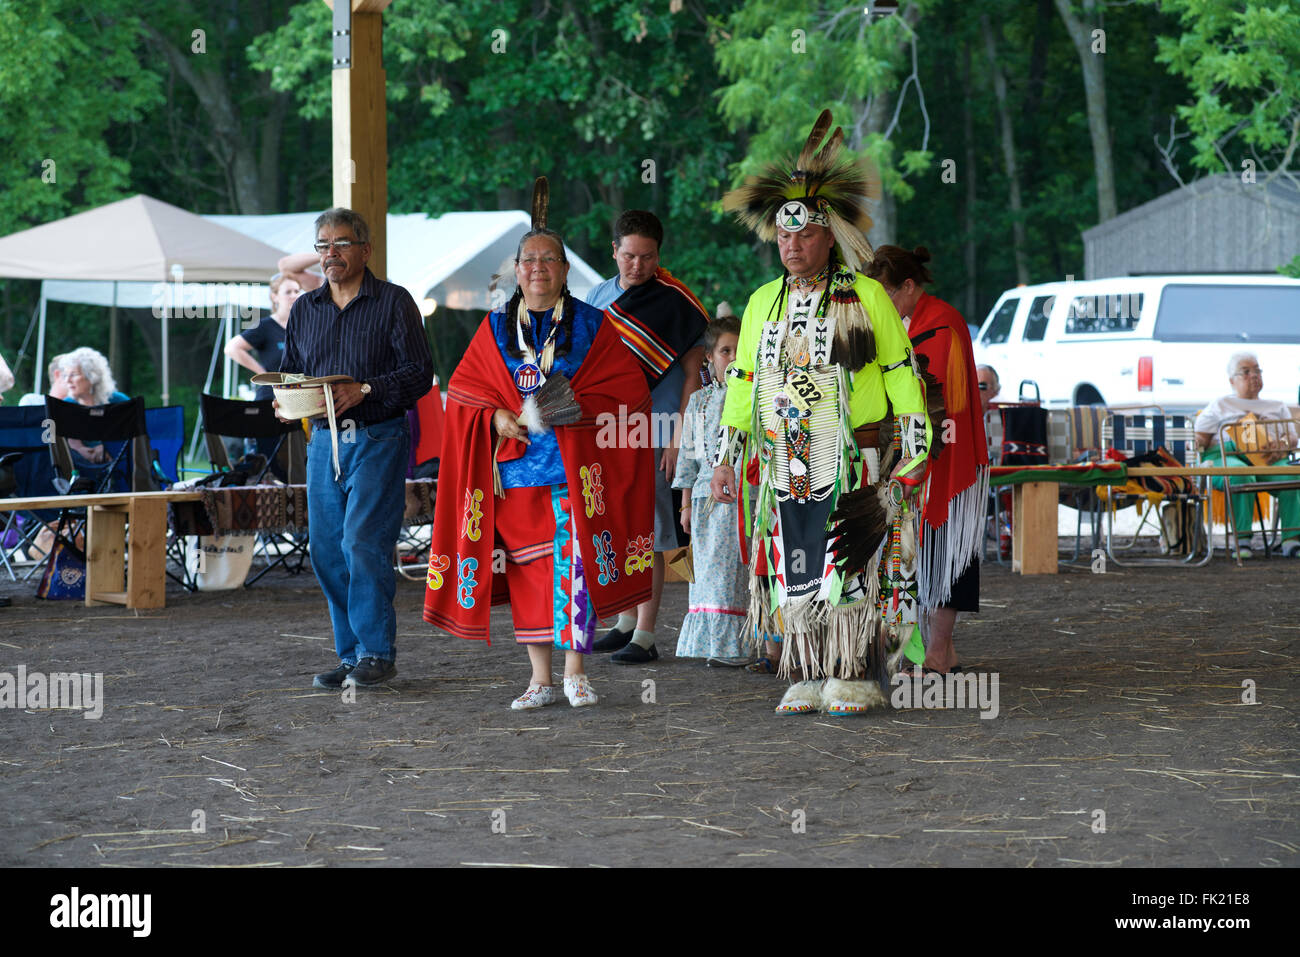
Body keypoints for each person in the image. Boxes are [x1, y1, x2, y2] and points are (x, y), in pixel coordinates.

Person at [712, 110, 930, 716]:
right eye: (783, 236)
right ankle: (808, 671)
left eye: (804, 234)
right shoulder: (762, 303)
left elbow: (898, 369)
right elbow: (744, 381)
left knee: (851, 559)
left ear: (828, 236)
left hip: (853, 452)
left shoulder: (863, 297)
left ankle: (854, 672)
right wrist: (726, 459)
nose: (792, 245)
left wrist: (915, 445)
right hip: (787, 457)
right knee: (795, 564)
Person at [425, 178, 654, 709]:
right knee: (528, 573)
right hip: (515, 474)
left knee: (573, 567)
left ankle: (576, 673)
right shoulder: (496, 328)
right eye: (529, 261)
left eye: (549, 260)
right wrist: (496, 416)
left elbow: (627, 392)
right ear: (517, 269)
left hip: (574, 472)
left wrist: (579, 410)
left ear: (565, 269)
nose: (538, 269)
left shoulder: (594, 327)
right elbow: (463, 396)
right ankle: (539, 679)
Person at [278, 208, 434, 690]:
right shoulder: (305, 309)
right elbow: (290, 373)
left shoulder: (394, 302)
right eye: (323, 245)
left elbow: (419, 374)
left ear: (365, 250)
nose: (331, 254)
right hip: (322, 442)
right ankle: (349, 655)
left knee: (361, 543)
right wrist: (285, 402)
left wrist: (364, 390)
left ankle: (375, 652)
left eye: (341, 244)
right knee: (326, 550)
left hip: (377, 435)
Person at [585, 210, 709, 664]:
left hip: (657, 428)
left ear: (660, 255)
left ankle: (646, 634)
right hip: (607, 429)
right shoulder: (597, 296)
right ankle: (622, 620)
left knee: (651, 528)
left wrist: (681, 440)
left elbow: (696, 378)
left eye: (648, 257)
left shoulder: (679, 303)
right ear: (614, 251)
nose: (637, 266)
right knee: (616, 527)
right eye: (629, 256)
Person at [866, 246, 989, 675]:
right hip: (904, 453)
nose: (878, 303)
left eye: (885, 293)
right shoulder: (899, 323)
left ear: (908, 286)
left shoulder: (941, 325)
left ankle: (939, 650)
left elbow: (942, 402)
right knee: (908, 555)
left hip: (947, 455)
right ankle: (918, 650)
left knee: (946, 548)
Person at [672, 315, 753, 665]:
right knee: (707, 572)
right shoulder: (700, 401)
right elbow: (688, 456)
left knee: (738, 571)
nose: (733, 357)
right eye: (725, 350)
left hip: (745, 495)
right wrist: (685, 504)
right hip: (707, 499)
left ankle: (738, 645)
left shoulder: (754, 398)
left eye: (739, 350)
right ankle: (711, 644)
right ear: (709, 357)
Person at [1194, 352, 1300, 558]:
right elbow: (1201, 438)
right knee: (1240, 474)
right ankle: (1241, 541)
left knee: (1293, 474)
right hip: (1226, 455)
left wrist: (1282, 444)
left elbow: (1292, 438)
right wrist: (1196, 443)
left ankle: (1292, 540)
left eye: (1257, 370)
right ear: (1231, 381)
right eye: (1246, 372)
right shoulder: (1220, 405)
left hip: (1266, 457)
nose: (1254, 376)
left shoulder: (1276, 406)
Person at [226, 274, 303, 400]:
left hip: (301, 399)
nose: (294, 296)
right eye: (288, 292)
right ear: (275, 297)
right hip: (271, 399)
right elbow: (231, 348)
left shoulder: (307, 326)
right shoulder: (264, 325)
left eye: (297, 291)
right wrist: (263, 374)